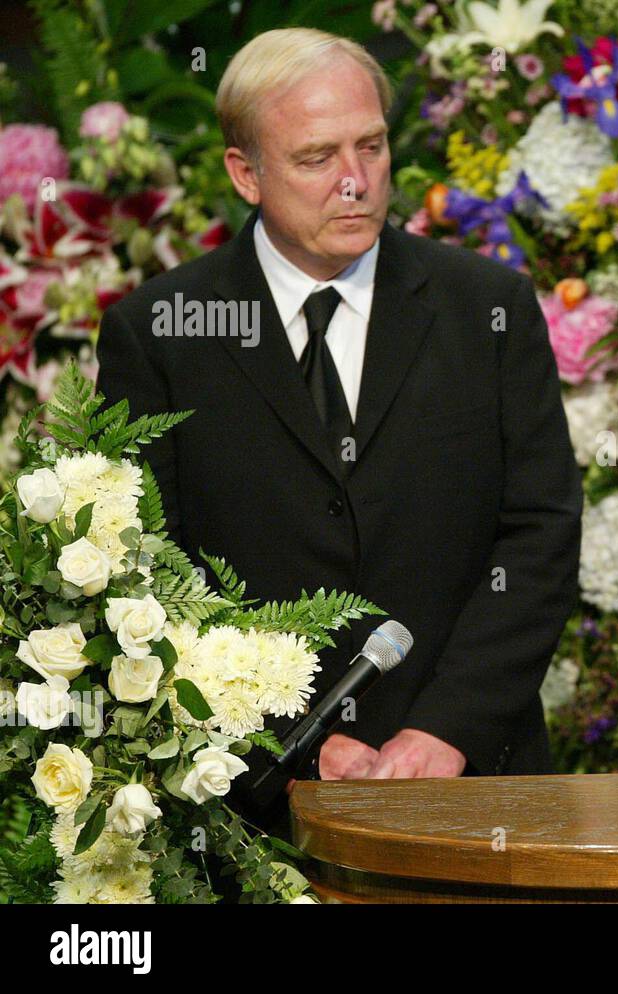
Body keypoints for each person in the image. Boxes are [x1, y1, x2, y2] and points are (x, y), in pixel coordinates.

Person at [95, 28, 582, 799]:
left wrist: (446, 729)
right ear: (245, 173)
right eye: (318, 157)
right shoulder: (159, 332)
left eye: (373, 147)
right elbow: (147, 575)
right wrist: (291, 743)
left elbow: (540, 535)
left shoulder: (487, 307)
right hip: (249, 802)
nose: (355, 182)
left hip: (475, 781)